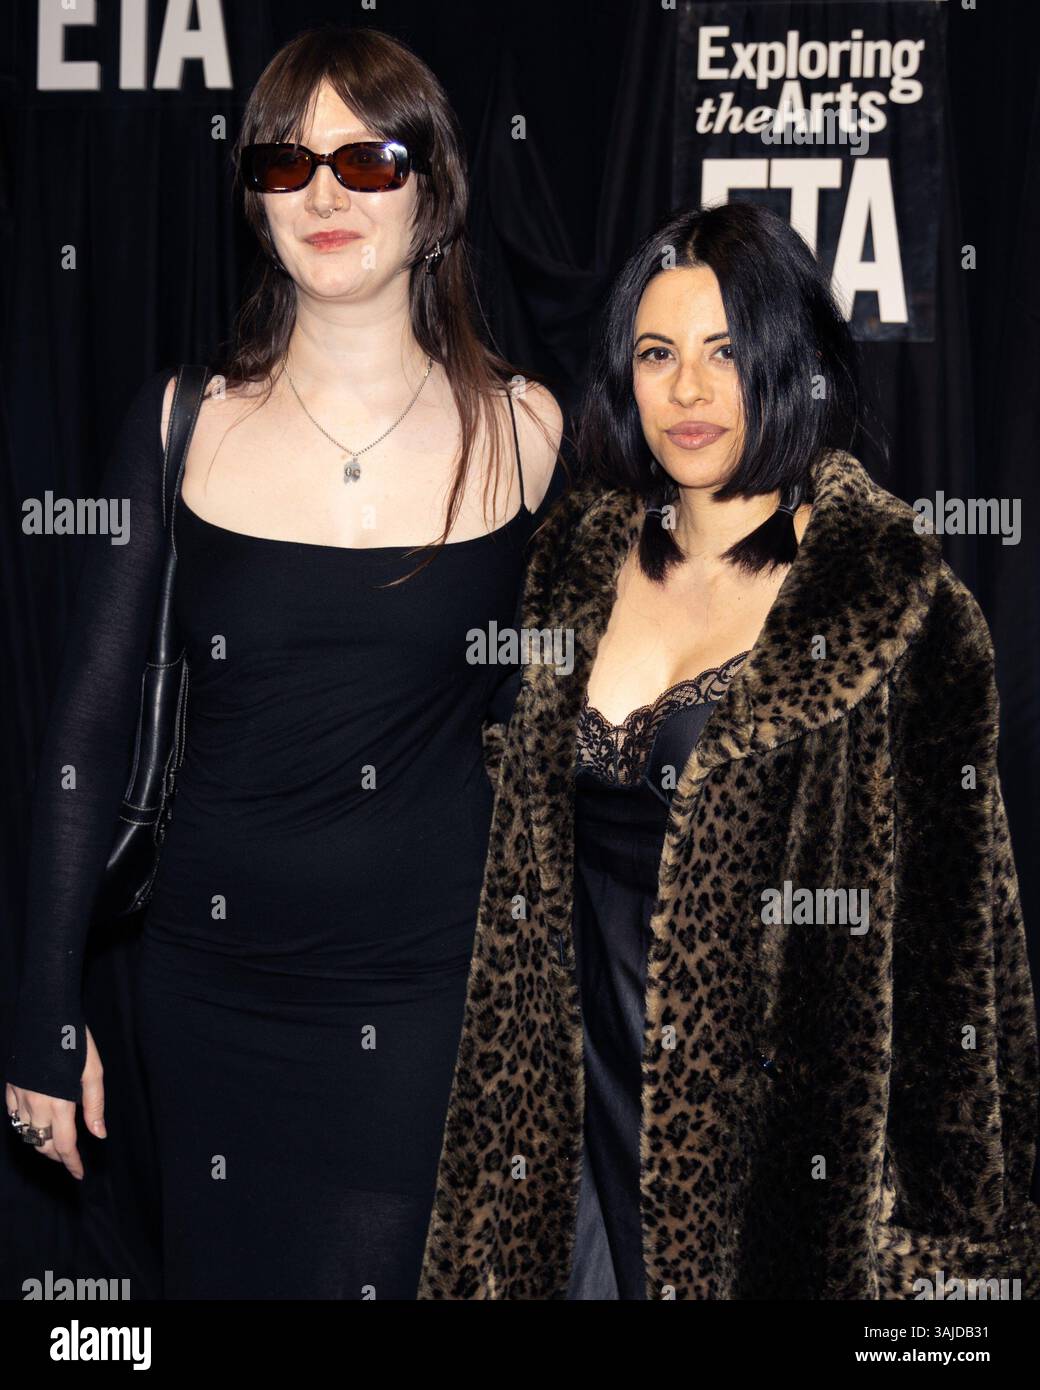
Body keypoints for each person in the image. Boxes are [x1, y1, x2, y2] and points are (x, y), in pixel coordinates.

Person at [6, 26, 563, 1299]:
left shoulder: (525, 432)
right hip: (209, 993)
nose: (322, 194)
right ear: (252, 200)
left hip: (426, 993)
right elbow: (85, 740)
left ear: (432, 192)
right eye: (284, 162)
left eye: (366, 160)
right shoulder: (185, 422)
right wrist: (43, 1007)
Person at [418, 201, 1040, 1300]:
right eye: (657, 354)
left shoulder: (897, 607)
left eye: (726, 352)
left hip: (776, 1183)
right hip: (561, 1155)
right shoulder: (569, 562)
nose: (690, 392)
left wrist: (952, 1261)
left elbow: (960, 968)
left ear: (790, 365)